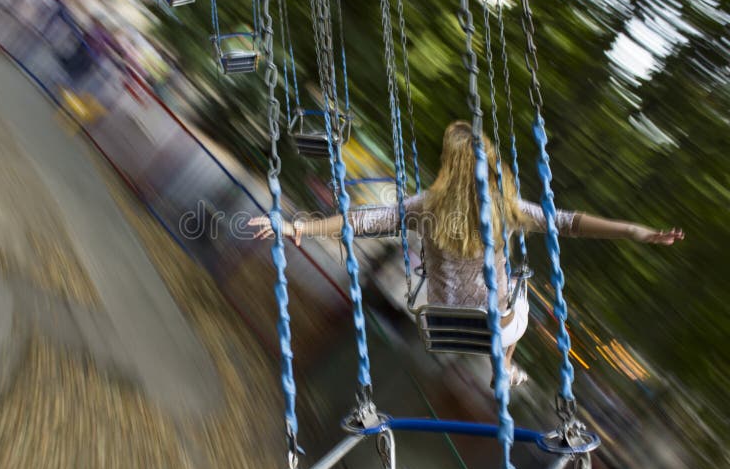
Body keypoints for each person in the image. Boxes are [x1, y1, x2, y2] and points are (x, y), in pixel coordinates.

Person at [250, 121, 684, 386]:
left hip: (439, 318)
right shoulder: (508, 209)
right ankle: (505, 368)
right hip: (497, 326)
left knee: (500, 287)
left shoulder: (426, 207)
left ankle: (504, 366)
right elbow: (570, 222)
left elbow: (361, 221)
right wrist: (635, 231)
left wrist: (297, 225)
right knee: (518, 287)